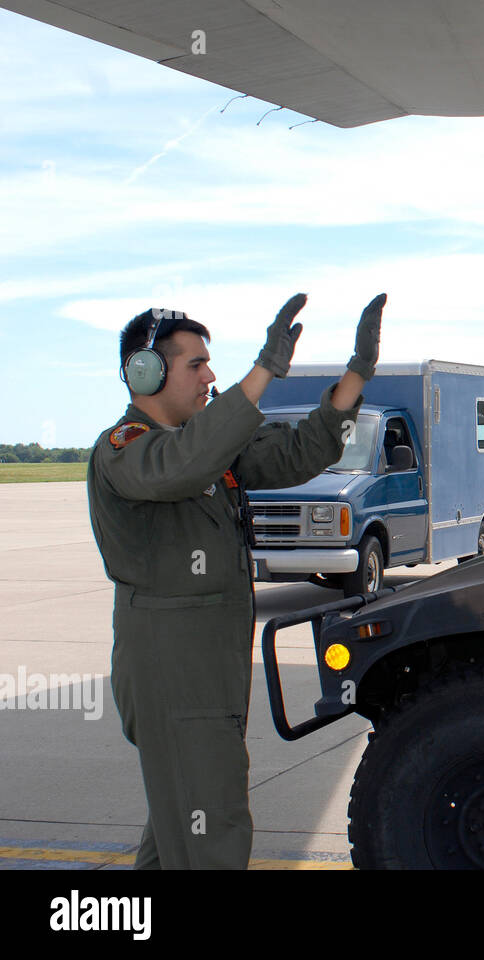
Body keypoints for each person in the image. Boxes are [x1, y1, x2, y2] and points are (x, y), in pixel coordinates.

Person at [86, 292, 386, 869]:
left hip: (208, 674)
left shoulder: (210, 445)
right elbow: (181, 465)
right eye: (196, 364)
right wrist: (264, 372)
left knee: (179, 831)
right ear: (144, 372)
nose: (210, 376)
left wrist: (356, 375)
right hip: (177, 678)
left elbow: (295, 455)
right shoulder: (124, 451)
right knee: (211, 835)